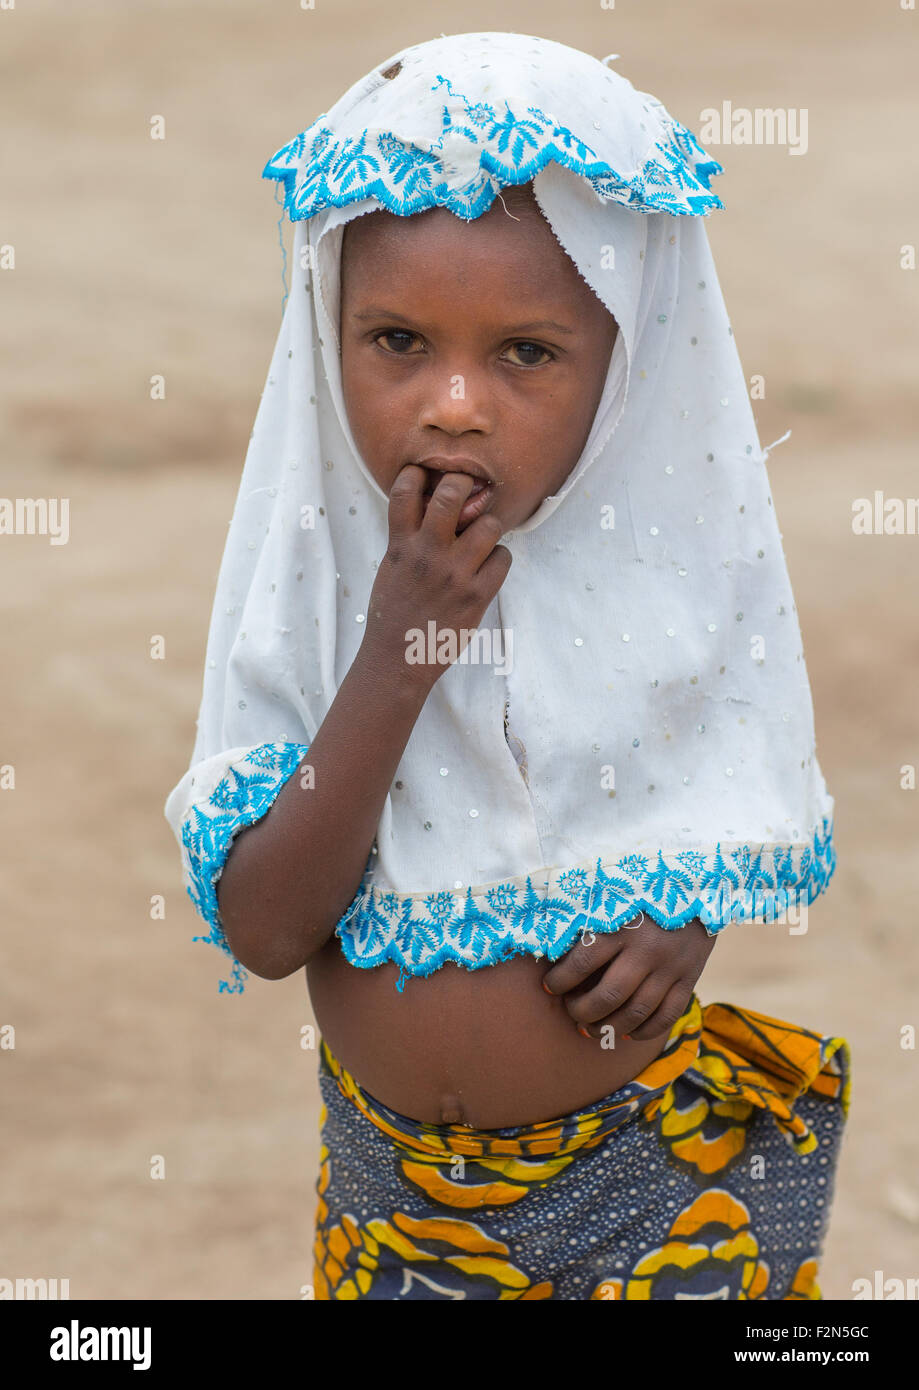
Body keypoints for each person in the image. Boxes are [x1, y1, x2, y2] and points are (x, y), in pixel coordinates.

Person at [164, 31, 850, 1300]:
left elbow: (726, 788)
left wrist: (686, 917)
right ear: (330, 338)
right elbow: (265, 926)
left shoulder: (676, 575)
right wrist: (398, 653)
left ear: (630, 367)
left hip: (649, 1192)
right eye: (397, 342)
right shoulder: (315, 576)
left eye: (526, 353)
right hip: (395, 1218)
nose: (455, 403)